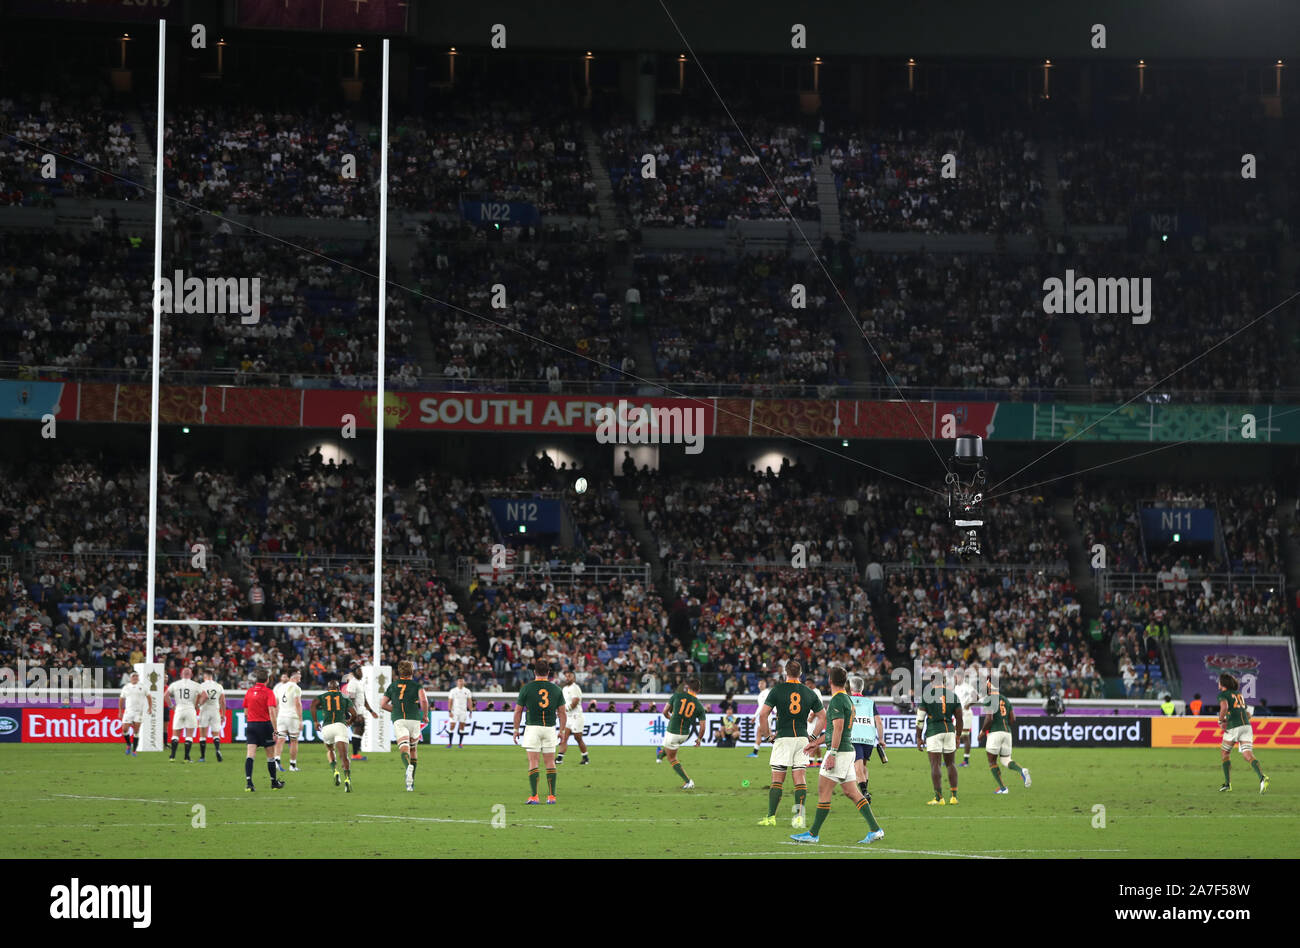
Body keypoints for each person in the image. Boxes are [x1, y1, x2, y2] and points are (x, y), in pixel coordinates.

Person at [790, 666, 885, 845]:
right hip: (847, 750)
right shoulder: (847, 700)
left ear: (829, 681)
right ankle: (875, 830)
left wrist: (832, 754)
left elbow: (839, 728)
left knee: (824, 791)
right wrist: (815, 743)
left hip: (839, 752)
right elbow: (834, 729)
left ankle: (813, 834)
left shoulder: (836, 701)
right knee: (852, 792)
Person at [756, 660, 825, 830]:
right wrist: (814, 737)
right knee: (799, 779)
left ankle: (771, 817)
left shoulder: (777, 690)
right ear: (800, 674)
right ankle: (799, 818)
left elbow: (763, 715)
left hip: (783, 738)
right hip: (802, 739)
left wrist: (767, 736)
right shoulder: (809, 692)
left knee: (777, 780)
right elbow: (823, 717)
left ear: (786, 672)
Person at [512, 659, 567, 804]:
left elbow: (518, 711)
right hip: (549, 728)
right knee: (550, 762)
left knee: (533, 761)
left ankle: (534, 796)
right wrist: (561, 730)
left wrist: (516, 729)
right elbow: (562, 713)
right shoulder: (556, 689)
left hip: (532, 728)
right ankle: (551, 796)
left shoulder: (527, 688)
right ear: (548, 672)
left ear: (534, 672)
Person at [916, 669, 963, 805]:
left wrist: (919, 738)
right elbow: (959, 719)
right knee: (951, 764)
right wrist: (958, 736)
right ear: (943, 682)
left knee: (935, 764)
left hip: (934, 731)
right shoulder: (952, 696)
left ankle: (939, 798)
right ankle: (954, 796)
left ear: (932, 682)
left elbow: (920, 720)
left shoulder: (927, 695)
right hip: (949, 731)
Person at [1217, 673, 1269, 793]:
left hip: (1234, 727)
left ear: (1223, 684)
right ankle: (1262, 777)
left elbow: (1224, 707)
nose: (1218, 684)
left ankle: (1227, 784)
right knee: (1247, 755)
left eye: (1219, 682)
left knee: (1225, 753)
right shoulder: (1239, 694)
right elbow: (1247, 714)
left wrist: (1220, 720)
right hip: (1246, 726)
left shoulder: (1223, 695)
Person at [381, 661, 428, 792]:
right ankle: (410, 783)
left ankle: (408, 768)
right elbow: (423, 700)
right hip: (414, 718)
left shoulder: (393, 685)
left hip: (399, 719)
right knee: (413, 749)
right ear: (412, 672)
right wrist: (425, 715)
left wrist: (396, 710)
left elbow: (383, 704)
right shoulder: (417, 685)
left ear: (399, 672)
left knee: (403, 748)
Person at [980, 684, 1030, 794]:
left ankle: (1003, 788)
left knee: (992, 761)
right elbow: (1013, 719)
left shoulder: (989, 699)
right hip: (1007, 733)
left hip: (995, 733)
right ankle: (1021, 770)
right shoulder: (1006, 700)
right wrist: (1004, 724)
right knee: (1005, 759)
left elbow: (989, 718)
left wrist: (982, 732)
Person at [311, 678, 356, 792]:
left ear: (328, 688)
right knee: (344, 756)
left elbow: (313, 705)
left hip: (327, 728)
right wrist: (349, 722)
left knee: (330, 750)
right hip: (340, 726)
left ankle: (335, 771)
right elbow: (354, 713)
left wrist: (316, 722)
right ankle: (347, 779)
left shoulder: (323, 696)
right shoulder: (344, 697)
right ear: (338, 688)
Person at [243, 669, 284, 791]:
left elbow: (245, 712)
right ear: (267, 680)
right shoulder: (268, 692)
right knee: (270, 755)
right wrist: (275, 730)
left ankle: (249, 783)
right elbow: (272, 711)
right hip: (264, 725)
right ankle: (273, 783)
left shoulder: (249, 692)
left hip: (251, 725)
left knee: (250, 755)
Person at [848, 674, 887, 802]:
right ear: (862, 688)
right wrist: (881, 739)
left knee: (857, 767)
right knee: (863, 765)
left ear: (850, 687)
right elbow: (879, 722)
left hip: (854, 737)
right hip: (868, 739)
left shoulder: (847, 700)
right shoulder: (870, 703)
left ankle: (864, 793)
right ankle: (865, 790)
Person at [661, 677, 706, 789]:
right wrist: (699, 739)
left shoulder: (677, 696)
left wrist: (670, 717)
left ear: (688, 687)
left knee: (672, 758)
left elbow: (665, 712)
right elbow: (703, 726)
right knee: (669, 750)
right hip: (685, 735)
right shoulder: (699, 706)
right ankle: (660, 755)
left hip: (673, 732)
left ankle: (688, 782)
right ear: (699, 690)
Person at [166, 668, 200, 763]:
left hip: (179, 708)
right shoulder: (195, 684)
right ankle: (186, 757)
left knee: (175, 734)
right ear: (191, 674)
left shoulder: (175, 684)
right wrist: (198, 705)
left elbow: (166, 695)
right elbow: (204, 695)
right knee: (189, 734)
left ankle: (172, 756)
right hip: (190, 708)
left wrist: (171, 706)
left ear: (181, 674)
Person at [556, 669, 589, 765]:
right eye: (566, 676)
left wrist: (563, 710)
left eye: (569, 676)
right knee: (564, 737)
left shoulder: (575, 688)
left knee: (578, 738)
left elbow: (575, 702)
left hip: (576, 716)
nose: (567, 678)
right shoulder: (564, 689)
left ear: (574, 678)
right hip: (568, 717)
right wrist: (559, 710)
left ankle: (585, 757)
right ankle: (559, 758)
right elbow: (562, 703)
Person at [273, 669, 304, 772]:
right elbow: (297, 704)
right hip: (292, 717)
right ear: (294, 676)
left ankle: (276, 761)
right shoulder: (296, 688)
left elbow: (276, 704)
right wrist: (300, 720)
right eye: (299, 674)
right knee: (294, 741)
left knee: (280, 739)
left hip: (281, 716)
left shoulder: (280, 687)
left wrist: (277, 717)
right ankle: (292, 765)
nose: (300, 676)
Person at [117, 671, 152, 757]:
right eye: (133, 676)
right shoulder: (126, 687)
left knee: (136, 731)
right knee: (124, 729)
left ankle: (134, 750)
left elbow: (149, 697)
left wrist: (150, 708)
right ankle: (129, 744)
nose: (135, 678)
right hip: (128, 712)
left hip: (138, 712)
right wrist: (120, 711)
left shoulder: (143, 687)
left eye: (136, 676)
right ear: (130, 678)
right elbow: (121, 699)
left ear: (138, 677)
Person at [345, 666, 376, 760]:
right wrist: (353, 713)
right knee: (358, 729)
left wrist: (371, 711)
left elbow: (364, 699)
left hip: (361, 710)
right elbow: (350, 699)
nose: (361, 672)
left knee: (361, 730)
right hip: (356, 711)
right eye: (359, 671)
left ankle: (356, 751)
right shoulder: (353, 683)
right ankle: (355, 754)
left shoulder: (360, 683)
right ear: (354, 673)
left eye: (361, 671)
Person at [195, 670, 225, 763]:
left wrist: (197, 706)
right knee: (216, 734)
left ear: (205, 676)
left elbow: (199, 698)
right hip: (215, 710)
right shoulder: (218, 686)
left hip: (205, 710)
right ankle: (217, 750)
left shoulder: (201, 686)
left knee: (203, 735)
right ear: (212, 676)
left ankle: (202, 757)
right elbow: (223, 701)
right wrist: (223, 714)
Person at [953, 669, 980, 767]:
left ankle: (966, 760)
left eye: (957, 676)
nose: (955, 678)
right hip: (958, 714)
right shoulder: (956, 687)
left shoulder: (967, 687)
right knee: (955, 736)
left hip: (966, 714)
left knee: (964, 736)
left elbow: (976, 697)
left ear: (962, 677)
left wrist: (969, 704)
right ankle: (951, 760)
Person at [446, 676, 474, 749]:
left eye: (462, 681)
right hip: (454, 711)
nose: (461, 682)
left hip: (463, 711)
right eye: (459, 681)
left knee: (462, 727)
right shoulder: (453, 691)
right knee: (452, 726)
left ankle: (460, 744)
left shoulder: (467, 691)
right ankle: (450, 743)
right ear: (457, 682)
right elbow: (450, 701)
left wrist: (471, 711)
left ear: (464, 682)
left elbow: (469, 701)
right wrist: (449, 711)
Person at [746, 677, 770, 757]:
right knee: (760, 732)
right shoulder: (761, 694)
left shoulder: (766, 693)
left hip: (767, 715)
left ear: (765, 684)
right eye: (759, 683)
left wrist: (754, 716)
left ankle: (780, 750)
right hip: (764, 715)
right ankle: (755, 752)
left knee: (767, 734)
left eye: (762, 683)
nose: (760, 685)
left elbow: (762, 706)